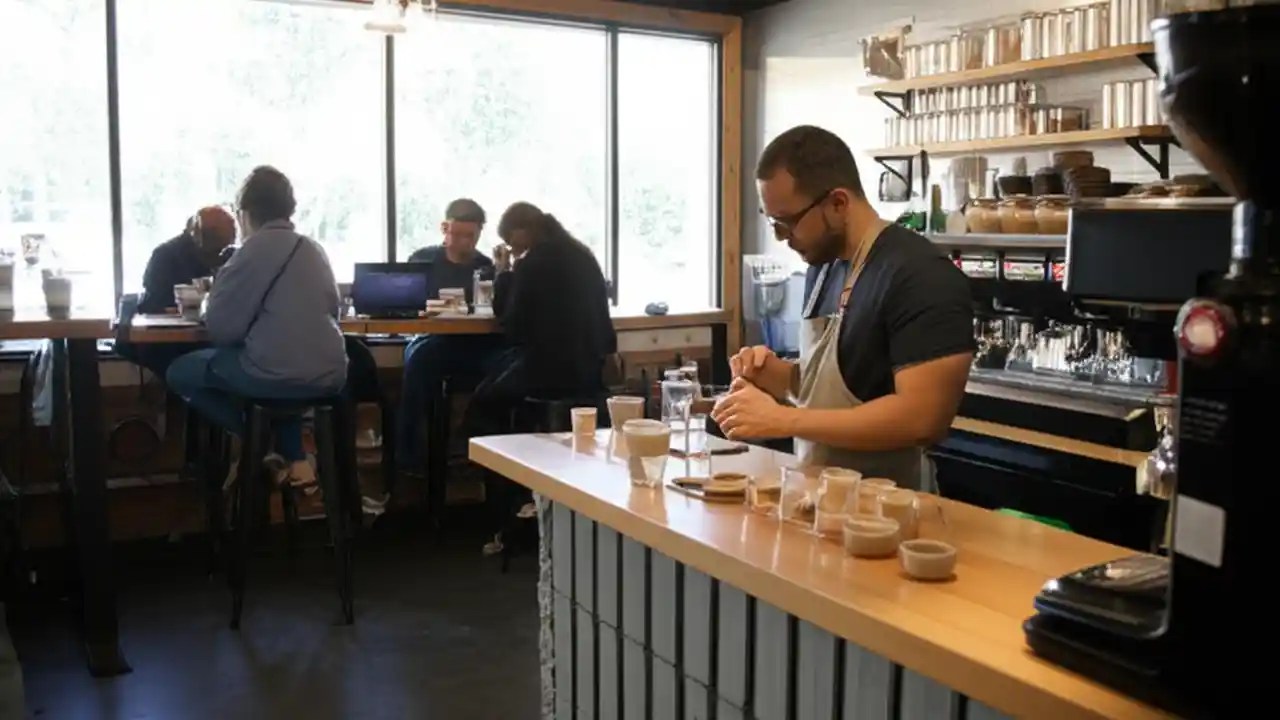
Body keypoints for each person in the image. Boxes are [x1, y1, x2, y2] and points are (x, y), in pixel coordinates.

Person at [711, 125, 975, 490]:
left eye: (787, 223)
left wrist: (783, 421)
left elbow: (922, 417)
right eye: (774, 223)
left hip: (887, 516)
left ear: (837, 203)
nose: (781, 239)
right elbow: (844, 381)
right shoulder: (823, 268)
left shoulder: (919, 274)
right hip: (819, 502)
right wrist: (780, 377)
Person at [167, 165, 348, 487]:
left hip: (274, 373)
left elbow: (222, 331)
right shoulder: (314, 249)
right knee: (278, 386)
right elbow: (333, 310)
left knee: (180, 372)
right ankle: (293, 455)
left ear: (245, 213)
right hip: (330, 374)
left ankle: (262, 442)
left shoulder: (250, 252)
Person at [467, 202, 616, 553]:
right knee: (499, 393)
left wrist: (504, 273)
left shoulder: (534, 264)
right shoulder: (582, 254)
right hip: (588, 374)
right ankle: (541, 496)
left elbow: (513, 326)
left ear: (523, 232)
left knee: (483, 407)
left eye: (512, 241)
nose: (513, 248)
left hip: (548, 370)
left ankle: (511, 507)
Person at [395, 199, 505, 475]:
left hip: (475, 343)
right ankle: (410, 457)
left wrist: (504, 273)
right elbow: (406, 306)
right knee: (419, 359)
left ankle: (489, 456)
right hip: (434, 340)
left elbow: (498, 310)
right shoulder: (422, 261)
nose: (465, 242)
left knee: (507, 365)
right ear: (445, 228)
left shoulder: (485, 267)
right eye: (458, 234)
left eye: (471, 236)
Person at [116, 206, 236, 378]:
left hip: (213, 333)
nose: (224, 250)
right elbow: (155, 303)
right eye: (220, 242)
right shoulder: (165, 256)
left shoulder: (230, 256)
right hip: (169, 338)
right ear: (198, 235)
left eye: (230, 242)